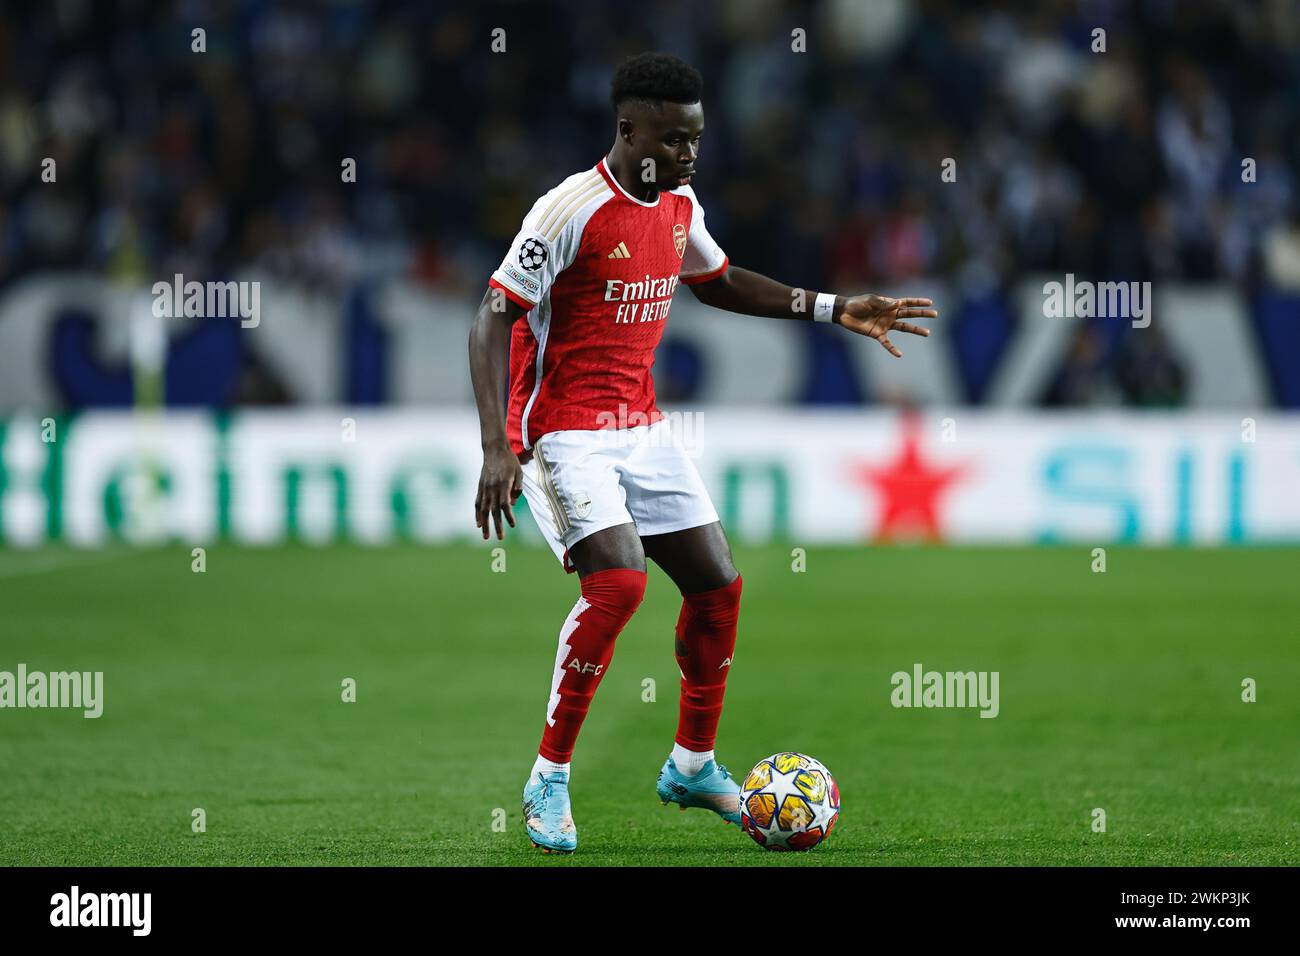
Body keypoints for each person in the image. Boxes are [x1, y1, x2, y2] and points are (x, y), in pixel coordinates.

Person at [467, 51, 936, 853]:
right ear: (628, 128)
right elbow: (490, 317)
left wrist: (834, 308)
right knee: (617, 584)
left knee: (717, 584)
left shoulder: (679, 201)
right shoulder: (567, 209)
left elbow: (716, 281)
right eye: (676, 138)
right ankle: (549, 775)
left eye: (696, 138)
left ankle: (692, 764)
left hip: (643, 427)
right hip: (561, 430)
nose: (690, 153)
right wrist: (496, 449)